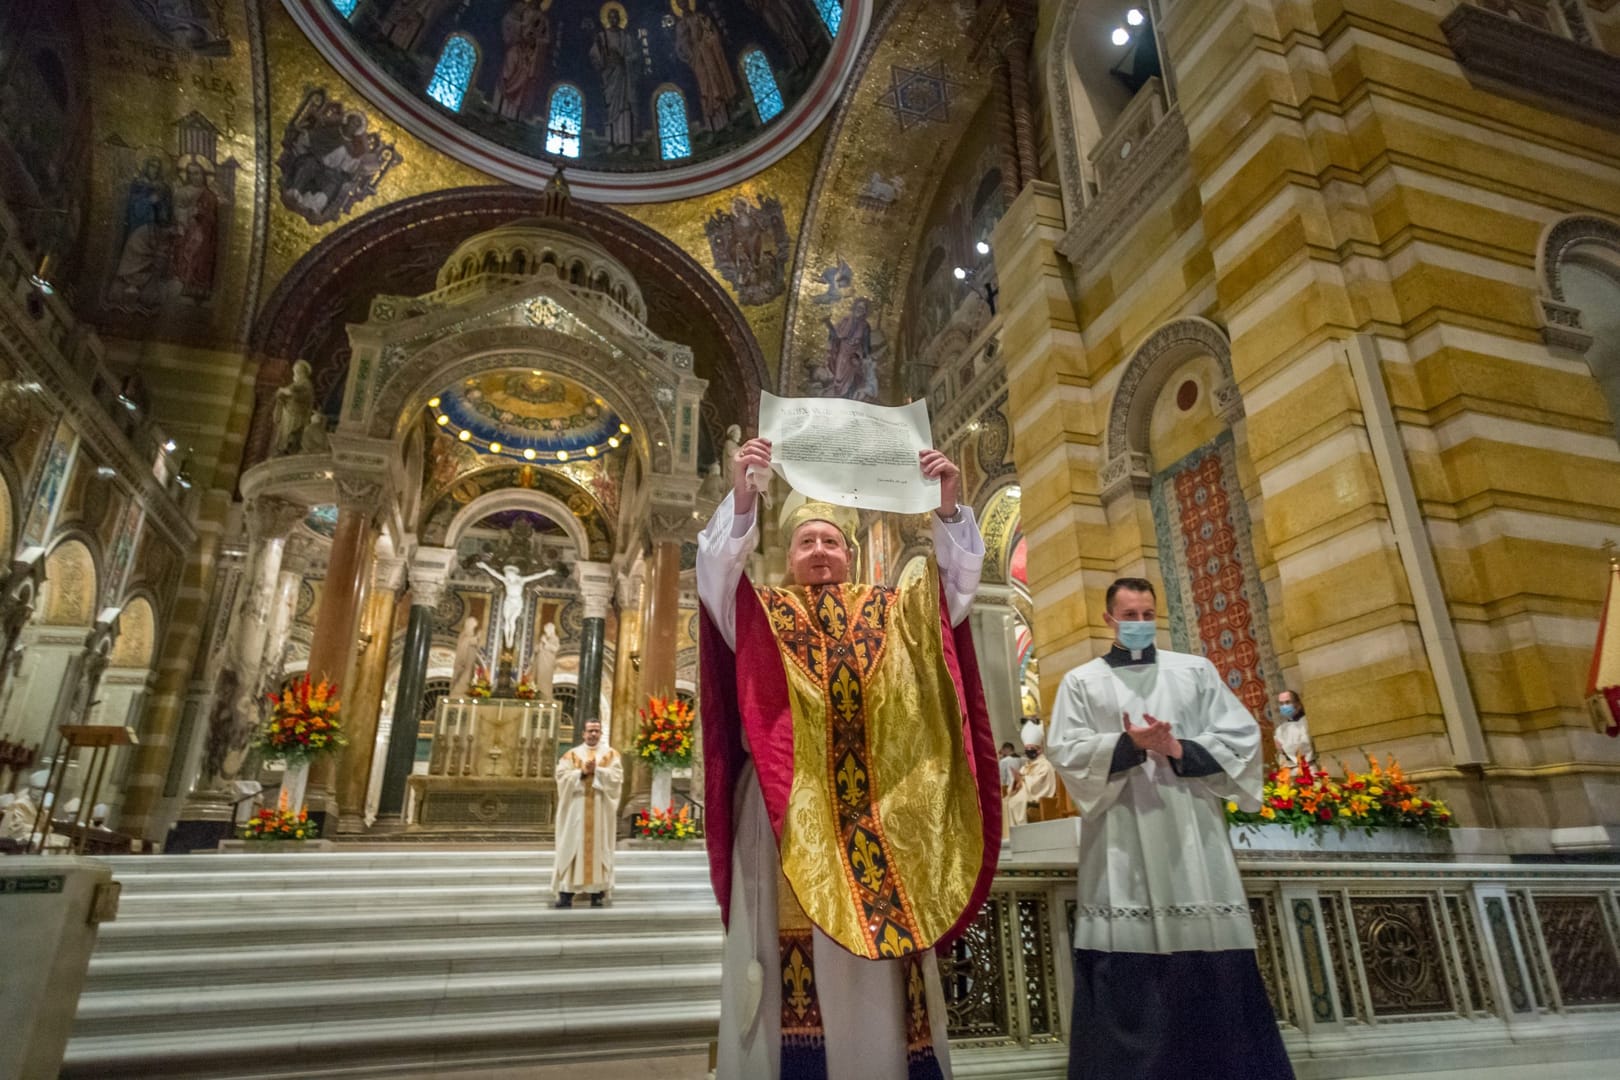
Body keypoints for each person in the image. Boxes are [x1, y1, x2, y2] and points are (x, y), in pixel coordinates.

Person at [698, 435, 1000, 1080]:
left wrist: (948, 510)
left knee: (878, 978)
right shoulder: (762, 614)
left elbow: (953, 601)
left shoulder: (891, 614)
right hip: (784, 812)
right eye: (807, 542)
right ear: (788, 555)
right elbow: (716, 576)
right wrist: (745, 496)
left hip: (881, 821)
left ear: (851, 552)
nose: (819, 553)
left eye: (831, 542)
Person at [1046, 577, 1293, 1080]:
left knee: (1206, 945)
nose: (1138, 624)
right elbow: (1065, 751)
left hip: (1191, 833)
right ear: (1108, 619)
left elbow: (1242, 736)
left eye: (1146, 615)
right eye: (1128, 616)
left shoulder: (1195, 671)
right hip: (1122, 834)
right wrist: (1128, 745)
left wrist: (1179, 749)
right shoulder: (1081, 681)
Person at [552, 719, 623, 908]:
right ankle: (566, 892)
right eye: (590, 731)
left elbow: (617, 778)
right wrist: (581, 772)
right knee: (571, 845)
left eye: (597, 731)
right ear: (583, 733)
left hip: (599, 809)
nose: (593, 734)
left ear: (601, 733)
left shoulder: (611, 755)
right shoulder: (571, 754)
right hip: (576, 808)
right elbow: (561, 777)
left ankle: (597, 893)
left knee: (599, 847)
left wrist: (597, 771)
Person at [1017, 719, 1057, 824]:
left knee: (1017, 803)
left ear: (1040, 749)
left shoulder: (1045, 765)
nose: (1029, 750)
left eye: (1032, 748)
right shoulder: (1025, 767)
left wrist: (1023, 780)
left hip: (1039, 802)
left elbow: (1040, 784)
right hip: (1023, 799)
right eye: (1027, 748)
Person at [1274, 688, 1312, 767]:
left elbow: (1305, 746)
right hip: (1289, 771)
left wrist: (1283, 749)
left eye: (1288, 702)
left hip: (1308, 768)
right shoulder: (1280, 729)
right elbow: (1280, 756)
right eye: (1281, 703)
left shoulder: (1307, 722)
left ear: (1297, 704)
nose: (1284, 706)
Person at [998, 741, 1022, 840]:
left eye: (1003, 750)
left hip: (1010, 788)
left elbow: (1002, 778)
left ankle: (1008, 833)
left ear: (1006, 750)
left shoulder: (1004, 761)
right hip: (1022, 787)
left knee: (1004, 803)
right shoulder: (1022, 759)